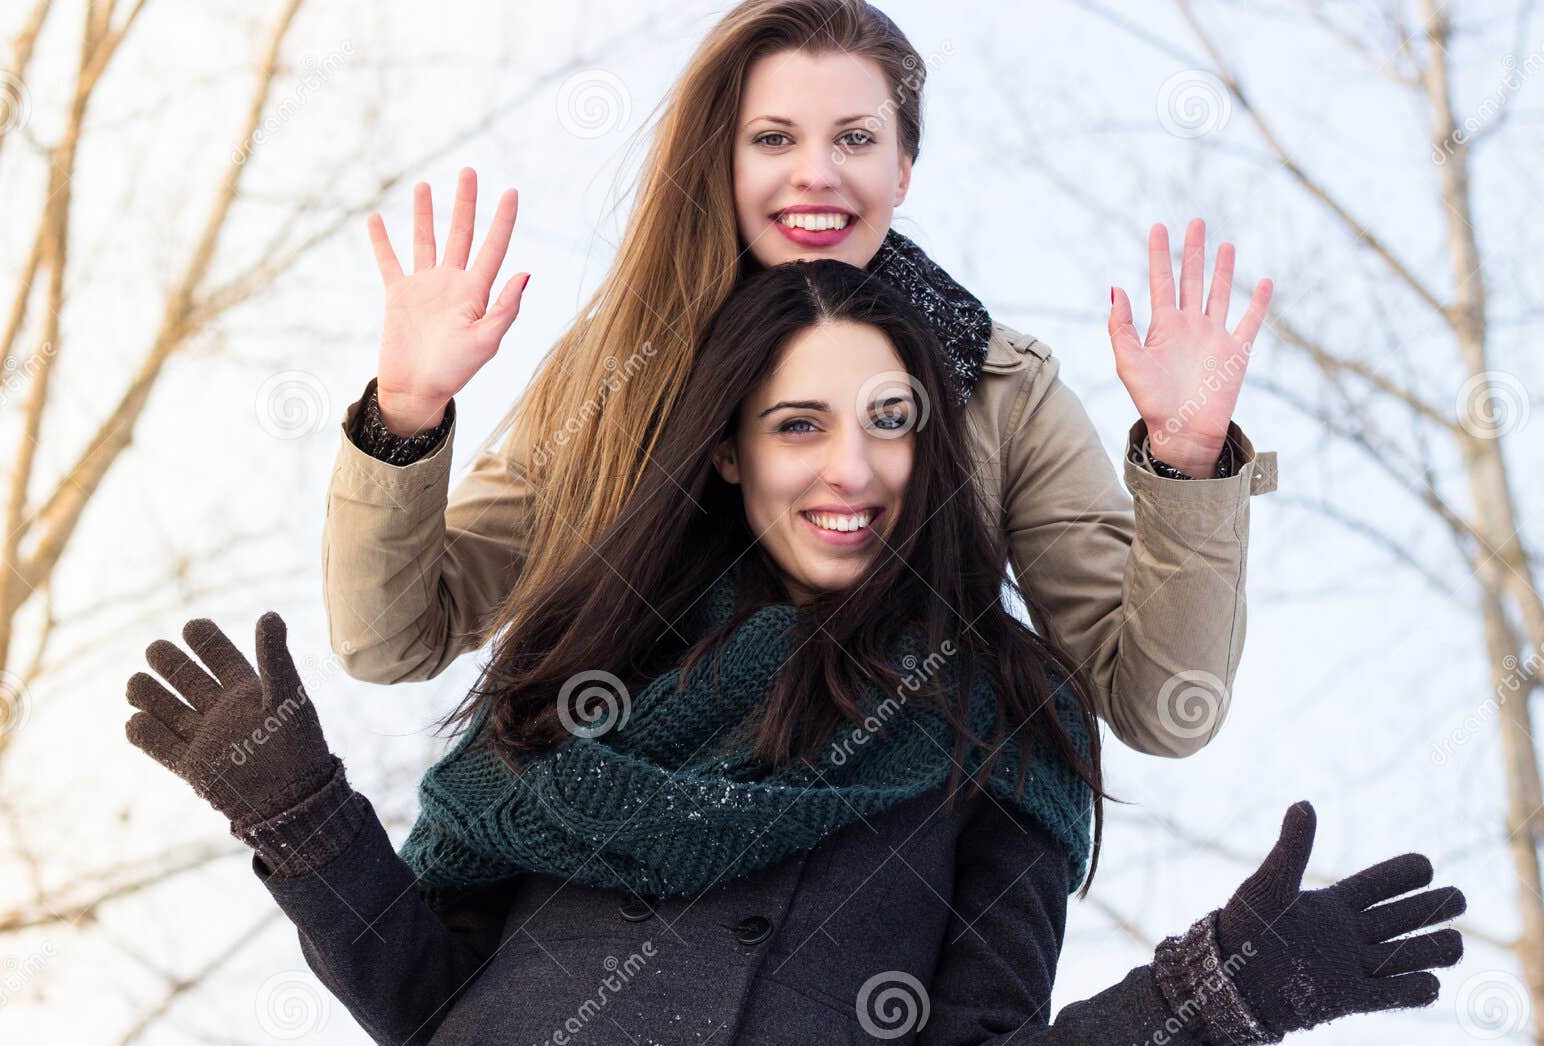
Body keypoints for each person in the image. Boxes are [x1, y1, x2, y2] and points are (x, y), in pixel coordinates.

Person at [126, 261, 1458, 1046]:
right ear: (730, 451)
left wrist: (1207, 998)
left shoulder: (1005, 715)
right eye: (799, 423)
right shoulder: (590, 660)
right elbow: (428, 1003)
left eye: (890, 420)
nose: (849, 465)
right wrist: (302, 817)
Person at [323, 0, 1278, 759]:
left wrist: (1188, 462)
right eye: (774, 139)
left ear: (904, 169)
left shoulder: (1000, 388)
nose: (816, 174)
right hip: (604, 861)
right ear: (721, 160)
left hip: (880, 855)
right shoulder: (621, 367)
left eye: (855, 139)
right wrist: (405, 413)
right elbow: (394, 638)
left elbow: (1160, 706)